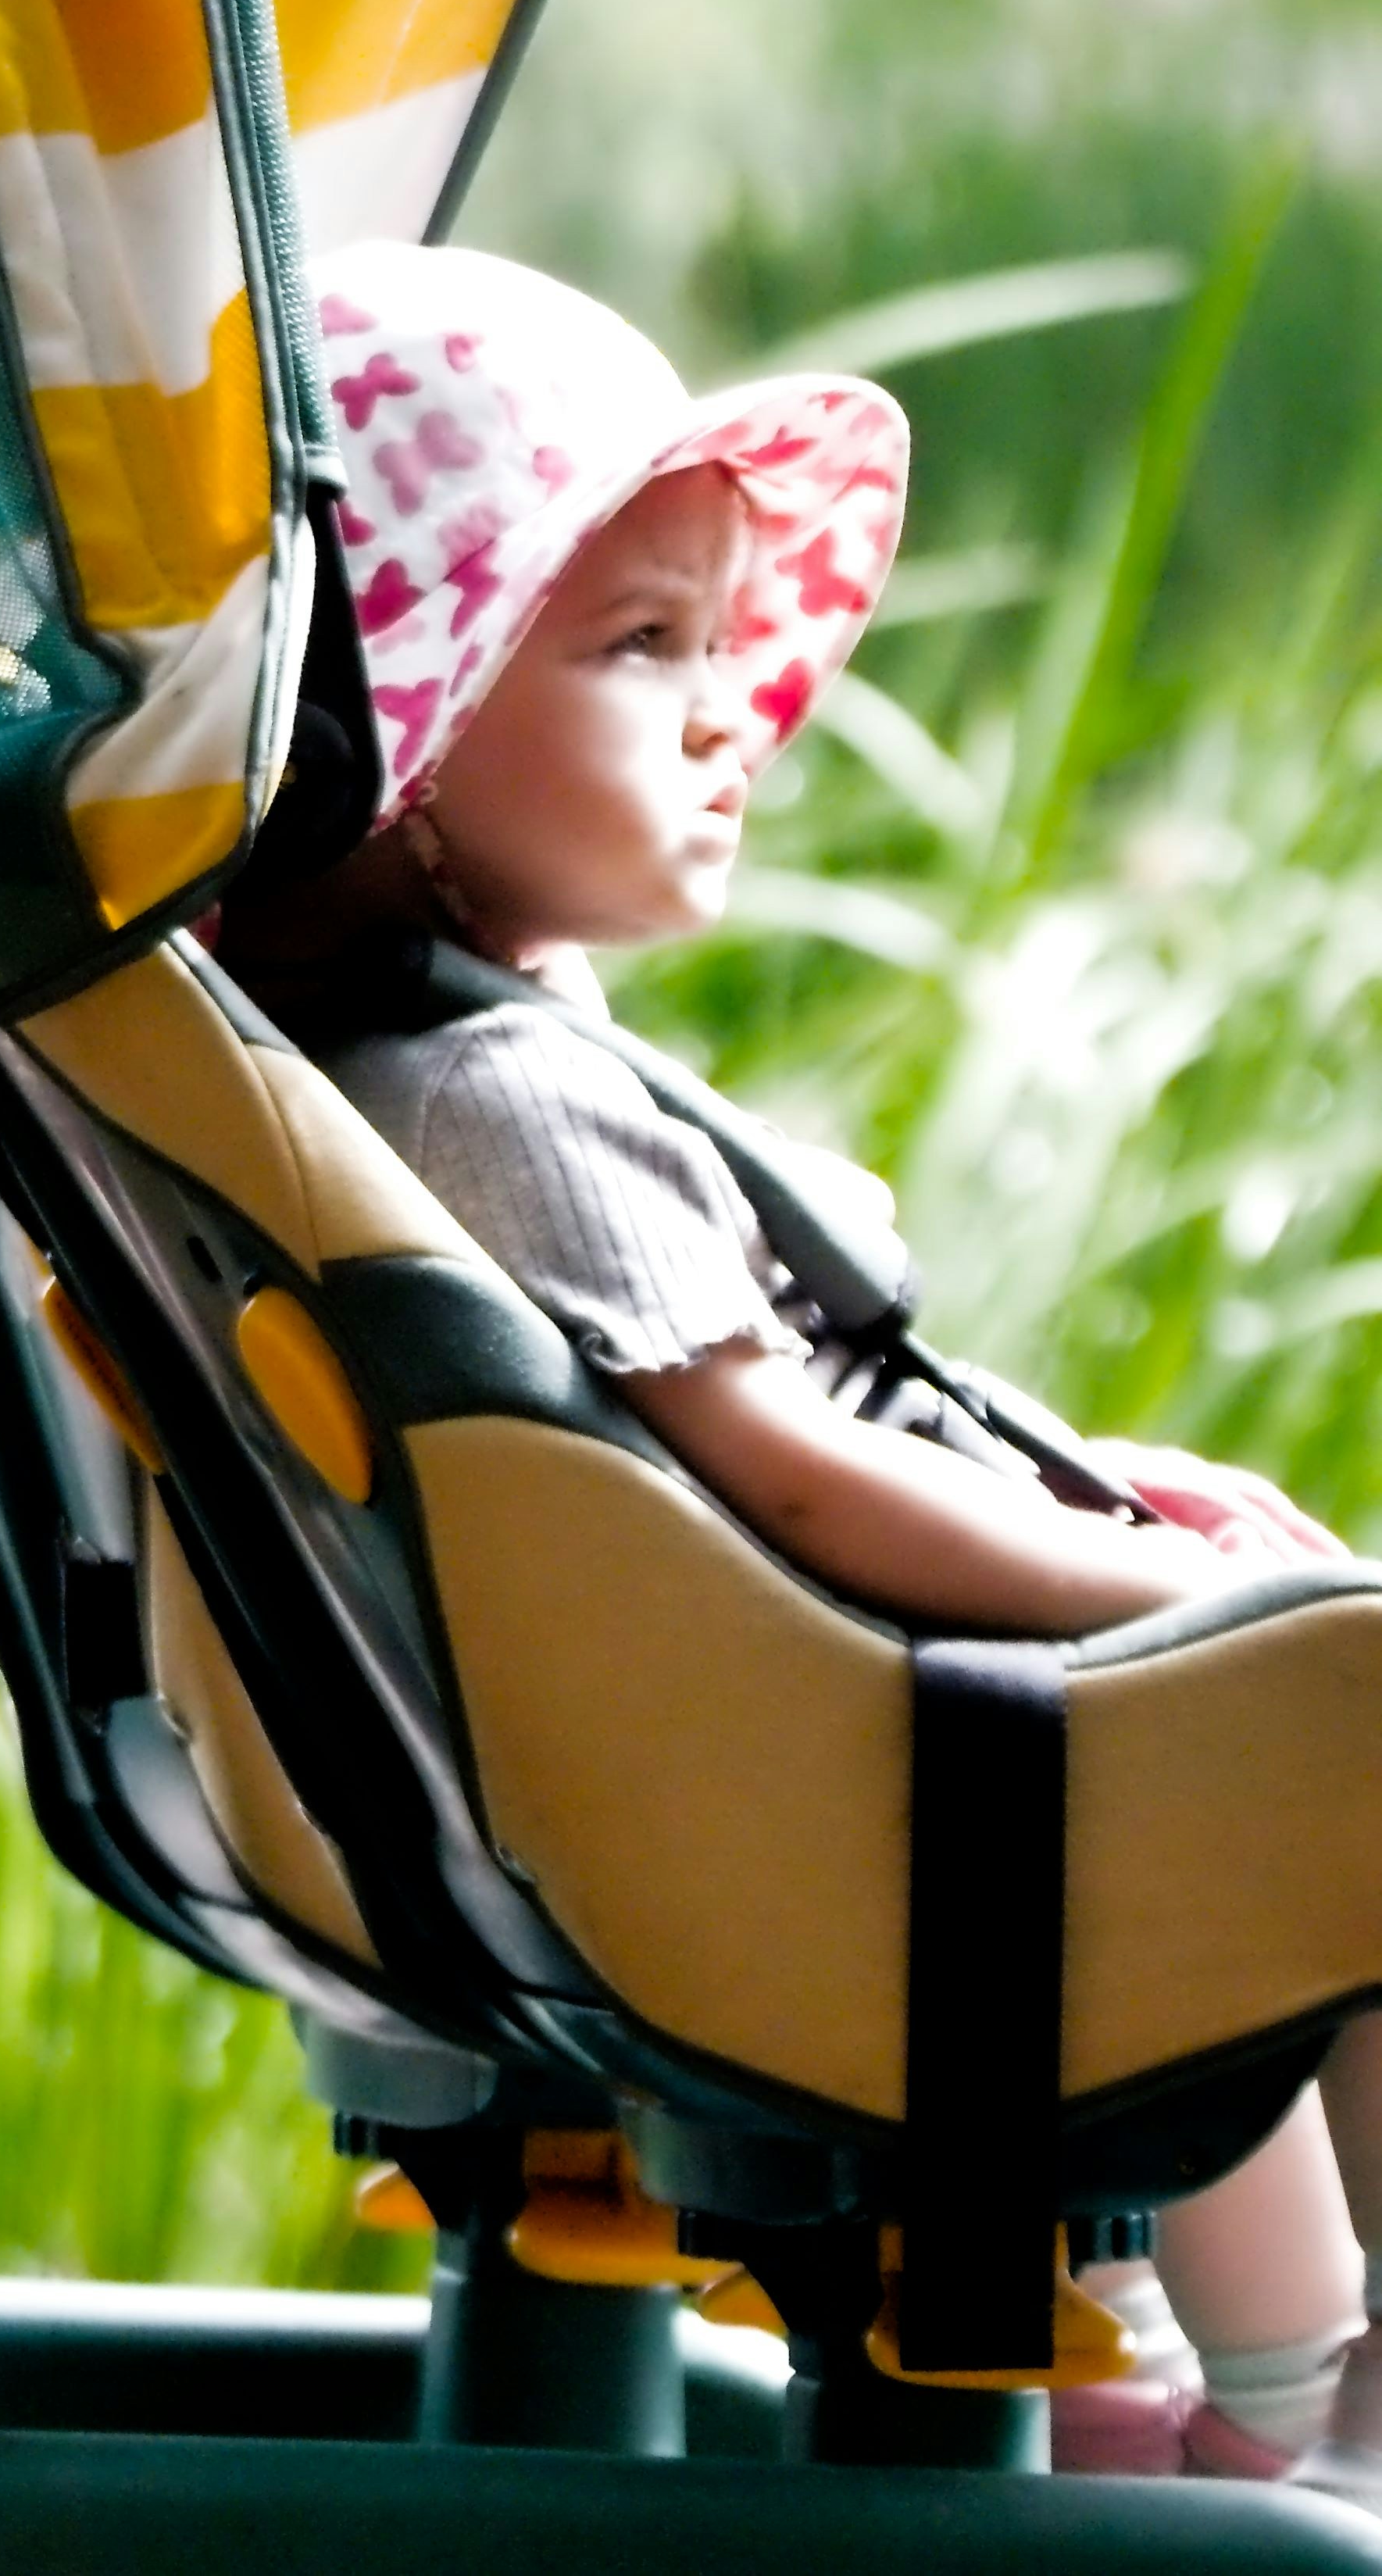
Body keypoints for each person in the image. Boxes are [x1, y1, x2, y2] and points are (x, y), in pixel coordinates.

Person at [214, 238, 1380, 2497]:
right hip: (852, 1792)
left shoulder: (415, 1067)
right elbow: (798, 1485)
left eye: (720, 645)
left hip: (792, 1755)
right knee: (1316, 1742)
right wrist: (1167, 1601)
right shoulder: (501, 1106)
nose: (727, 719)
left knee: (1253, 1726)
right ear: (414, 727)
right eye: (640, 647)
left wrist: (1120, 1523)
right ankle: (1311, 2407)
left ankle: (1223, 2394)